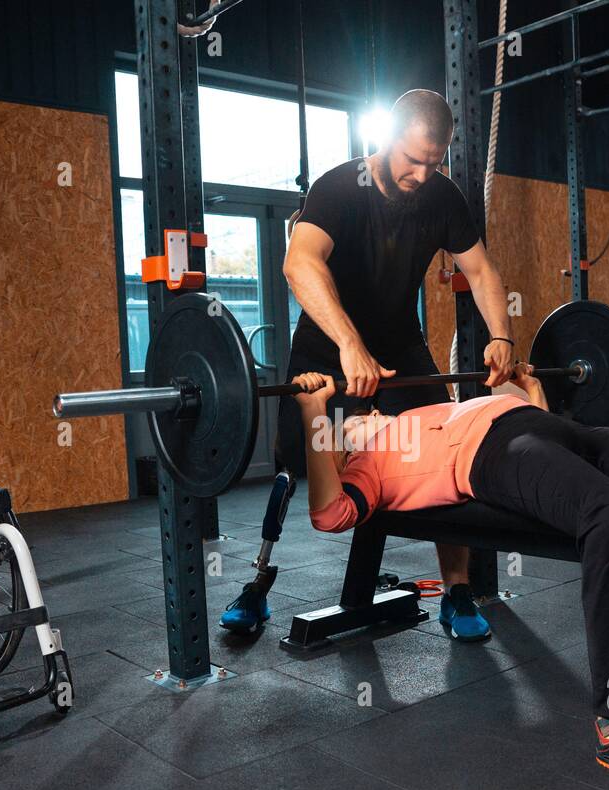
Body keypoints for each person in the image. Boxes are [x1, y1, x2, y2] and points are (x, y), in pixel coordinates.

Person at [289, 364, 609, 790]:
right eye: (351, 425)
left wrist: (526, 391)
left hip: (559, 430)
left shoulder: (417, 416)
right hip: (495, 456)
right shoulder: (368, 468)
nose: (368, 418)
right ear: (337, 450)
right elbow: (330, 514)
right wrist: (315, 412)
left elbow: (503, 407)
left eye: (368, 413)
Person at [221, 89, 516, 642]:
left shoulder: (443, 198)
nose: (422, 174)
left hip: (401, 346)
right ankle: (258, 583)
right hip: (326, 345)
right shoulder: (339, 187)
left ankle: (455, 589)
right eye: (412, 159)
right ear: (385, 140)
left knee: (446, 451)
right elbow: (297, 262)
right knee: (297, 464)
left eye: (435, 162)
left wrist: (502, 334)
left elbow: (479, 271)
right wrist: (349, 344)